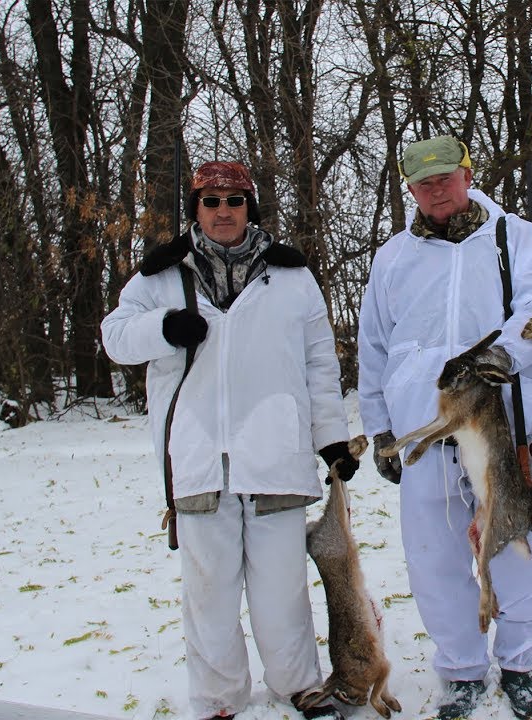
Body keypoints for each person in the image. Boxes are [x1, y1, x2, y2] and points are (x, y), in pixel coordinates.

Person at [101, 160, 358, 720]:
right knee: (209, 595)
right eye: (211, 201)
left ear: (250, 207)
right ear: (195, 208)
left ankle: (298, 685)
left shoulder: (292, 276)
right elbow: (115, 337)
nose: (224, 211)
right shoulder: (160, 277)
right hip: (197, 457)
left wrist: (332, 439)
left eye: (235, 200)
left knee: (282, 589)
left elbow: (319, 363)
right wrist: (163, 328)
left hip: (276, 454)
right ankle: (219, 699)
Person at [357, 135, 532, 720]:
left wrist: (497, 358)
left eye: (446, 177)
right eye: (424, 183)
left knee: (516, 547)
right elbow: (376, 347)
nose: (436, 190)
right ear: (410, 189)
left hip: (501, 425)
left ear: (468, 175)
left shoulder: (515, 238)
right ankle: (462, 669)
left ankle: (519, 664)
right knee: (433, 558)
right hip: (423, 432)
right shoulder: (393, 257)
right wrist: (381, 429)